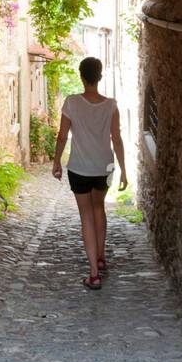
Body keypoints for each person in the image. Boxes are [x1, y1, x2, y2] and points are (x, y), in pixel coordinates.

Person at [52, 56, 127, 290]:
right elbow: (117, 139)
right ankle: (101, 257)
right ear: (100, 76)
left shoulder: (72, 103)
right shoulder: (111, 105)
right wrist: (124, 170)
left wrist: (56, 161)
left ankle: (93, 273)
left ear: (82, 77)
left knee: (86, 215)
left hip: (80, 168)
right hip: (104, 167)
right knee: (99, 208)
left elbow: (62, 136)